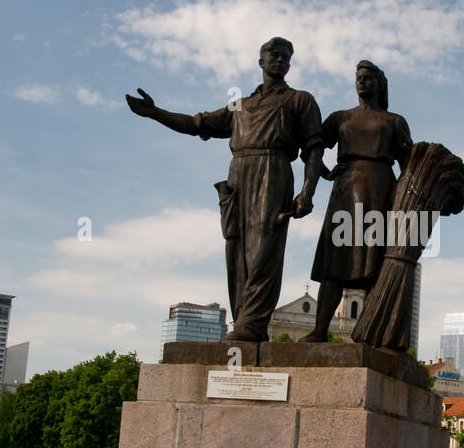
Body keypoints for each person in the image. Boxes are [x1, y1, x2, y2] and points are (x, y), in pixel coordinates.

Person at [126, 37, 323, 342]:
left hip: (273, 172)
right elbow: (197, 124)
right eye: (274, 54)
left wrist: (307, 192)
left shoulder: (300, 100)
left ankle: (252, 324)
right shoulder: (240, 106)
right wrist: (156, 113)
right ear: (261, 61)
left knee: (263, 251)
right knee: (236, 251)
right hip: (238, 174)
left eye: (286, 56)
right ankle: (243, 321)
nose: (280, 60)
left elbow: (314, 149)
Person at [302, 60, 412, 342]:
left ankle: (370, 334)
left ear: (379, 84)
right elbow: (312, 147)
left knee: (376, 265)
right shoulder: (341, 118)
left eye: (368, 78)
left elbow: (408, 165)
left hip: (381, 193)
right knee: (333, 266)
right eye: (358, 78)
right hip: (345, 192)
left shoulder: (394, 122)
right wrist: (325, 172)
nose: (362, 82)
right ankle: (319, 330)